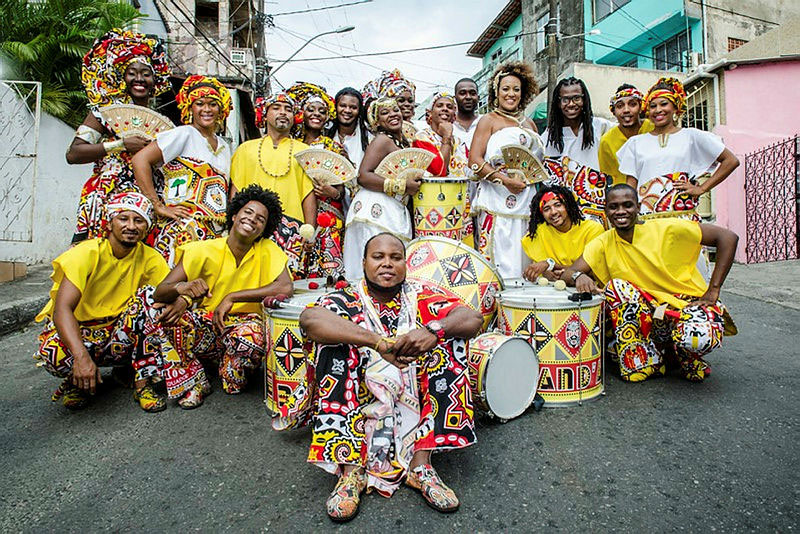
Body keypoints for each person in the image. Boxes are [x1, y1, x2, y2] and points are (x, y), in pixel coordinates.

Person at [277, 233, 483, 521]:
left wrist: (433, 331)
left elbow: (473, 319)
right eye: (378, 257)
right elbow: (310, 321)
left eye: (395, 258)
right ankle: (351, 471)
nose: (387, 264)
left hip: (412, 383)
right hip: (360, 389)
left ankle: (420, 465)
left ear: (405, 265)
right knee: (333, 348)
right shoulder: (346, 296)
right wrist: (377, 343)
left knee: (450, 342)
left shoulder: (421, 294)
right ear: (363, 263)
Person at [561, 184, 738, 383]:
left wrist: (713, 290)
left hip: (684, 307)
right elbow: (570, 272)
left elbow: (728, 238)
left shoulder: (666, 228)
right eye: (614, 206)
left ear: (638, 207)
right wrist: (579, 276)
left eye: (627, 205)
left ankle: (685, 355)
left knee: (699, 337)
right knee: (616, 288)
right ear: (606, 211)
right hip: (649, 314)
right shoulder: (603, 242)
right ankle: (647, 359)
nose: (620, 212)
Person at [150, 185, 293, 407]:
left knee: (239, 367)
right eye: (247, 213)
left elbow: (285, 287)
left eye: (260, 219)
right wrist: (182, 289)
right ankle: (195, 381)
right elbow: (160, 290)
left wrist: (233, 297)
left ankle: (229, 367)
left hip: (242, 327)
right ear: (234, 215)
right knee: (162, 312)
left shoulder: (268, 249)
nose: (252, 220)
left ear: (264, 229)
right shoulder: (202, 249)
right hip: (207, 323)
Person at [34, 193, 171, 411]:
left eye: (139, 220)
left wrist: (184, 293)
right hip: (82, 333)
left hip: (118, 333)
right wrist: (80, 358)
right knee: (52, 352)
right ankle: (77, 381)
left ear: (147, 227)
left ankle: (142, 382)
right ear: (110, 223)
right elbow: (62, 310)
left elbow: (165, 297)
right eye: (123, 218)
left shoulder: (151, 258)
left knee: (152, 300)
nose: (131, 226)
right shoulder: (85, 253)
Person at [67, 29, 172, 243]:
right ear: (121, 77)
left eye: (146, 73)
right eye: (132, 72)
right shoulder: (103, 113)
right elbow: (74, 154)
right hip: (107, 195)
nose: (139, 79)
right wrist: (121, 144)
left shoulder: (160, 122)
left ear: (155, 80)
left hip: (148, 196)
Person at [132, 75, 232, 266]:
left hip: (214, 234)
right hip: (181, 229)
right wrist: (158, 205)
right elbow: (140, 160)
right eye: (199, 103)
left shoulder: (225, 147)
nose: (206, 109)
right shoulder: (183, 134)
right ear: (189, 107)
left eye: (212, 104)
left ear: (221, 108)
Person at [617, 77, 740, 220]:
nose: (658, 110)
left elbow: (731, 161)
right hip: (647, 219)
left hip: (683, 216)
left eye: (664, 104)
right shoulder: (635, 143)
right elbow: (631, 185)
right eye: (653, 106)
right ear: (647, 111)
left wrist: (702, 188)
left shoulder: (691, 136)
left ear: (675, 107)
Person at [468, 61, 543, 279]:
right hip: (496, 199)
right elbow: (474, 159)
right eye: (506, 89)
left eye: (516, 89)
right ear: (496, 91)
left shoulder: (530, 124)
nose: (511, 94)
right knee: (499, 256)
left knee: (525, 254)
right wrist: (504, 180)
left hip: (527, 199)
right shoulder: (488, 120)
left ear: (524, 92)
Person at [231, 93, 316, 279]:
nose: (283, 113)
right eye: (276, 108)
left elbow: (308, 194)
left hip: (292, 231)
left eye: (288, 109)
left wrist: (310, 231)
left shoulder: (305, 152)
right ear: (265, 114)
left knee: (285, 285)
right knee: (248, 279)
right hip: (252, 225)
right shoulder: (246, 149)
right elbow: (236, 191)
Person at [343, 97, 417, 279]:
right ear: (376, 121)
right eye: (385, 112)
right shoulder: (382, 140)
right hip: (374, 210)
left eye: (395, 110)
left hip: (391, 206)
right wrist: (401, 185)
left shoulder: (402, 142)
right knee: (373, 265)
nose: (393, 114)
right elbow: (363, 175)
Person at [286, 82, 348, 280]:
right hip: (295, 213)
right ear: (301, 113)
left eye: (322, 111)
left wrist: (334, 192)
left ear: (327, 117)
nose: (316, 114)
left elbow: (347, 184)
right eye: (310, 109)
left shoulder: (334, 147)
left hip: (327, 219)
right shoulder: (290, 145)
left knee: (328, 273)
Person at [543, 77, 613, 224]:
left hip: (597, 209)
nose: (571, 104)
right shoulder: (549, 136)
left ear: (584, 100)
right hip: (564, 214)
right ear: (558, 102)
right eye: (565, 99)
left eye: (576, 98)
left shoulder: (601, 126)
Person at [413, 92, 474, 243]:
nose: (445, 109)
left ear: (454, 115)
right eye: (439, 106)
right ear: (430, 114)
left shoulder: (460, 142)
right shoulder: (421, 138)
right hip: (432, 209)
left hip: (459, 208)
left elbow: (471, 173)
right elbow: (439, 171)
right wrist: (446, 138)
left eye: (450, 107)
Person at [522, 185, 603, 282]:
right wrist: (546, 272)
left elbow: (590, 271)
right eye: (546, 209)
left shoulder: (592, 229)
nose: (553, 212)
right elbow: (544, 270)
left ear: (567, 205)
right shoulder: (538, 233)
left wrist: (550, 265)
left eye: (558, 205)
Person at [598, 84, 654, 185]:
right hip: (624, 196)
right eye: (620, 106)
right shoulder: (606, 141)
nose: (626, 110)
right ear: (613, 111)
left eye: (632, 104)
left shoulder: (653, 129)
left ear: (641, 107)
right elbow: (607, 177)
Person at [363, 69, 417, 140]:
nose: (407, 104)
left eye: (410, 101)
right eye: (401, 100)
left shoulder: (416, 132)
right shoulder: (381, 139)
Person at [325, 87, 371, 170]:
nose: (347, 110)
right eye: (342, 106)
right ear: (335, 107)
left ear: (359, 110)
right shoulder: (325, 134)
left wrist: (348, 164)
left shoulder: (369, 139)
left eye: (353, 107)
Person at [452, 78, 481, 152]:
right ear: (455, 99)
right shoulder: (448, 125)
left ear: (478, 98)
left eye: (472, 93)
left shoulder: (486, 123)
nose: (468, 97)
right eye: (462, 93)